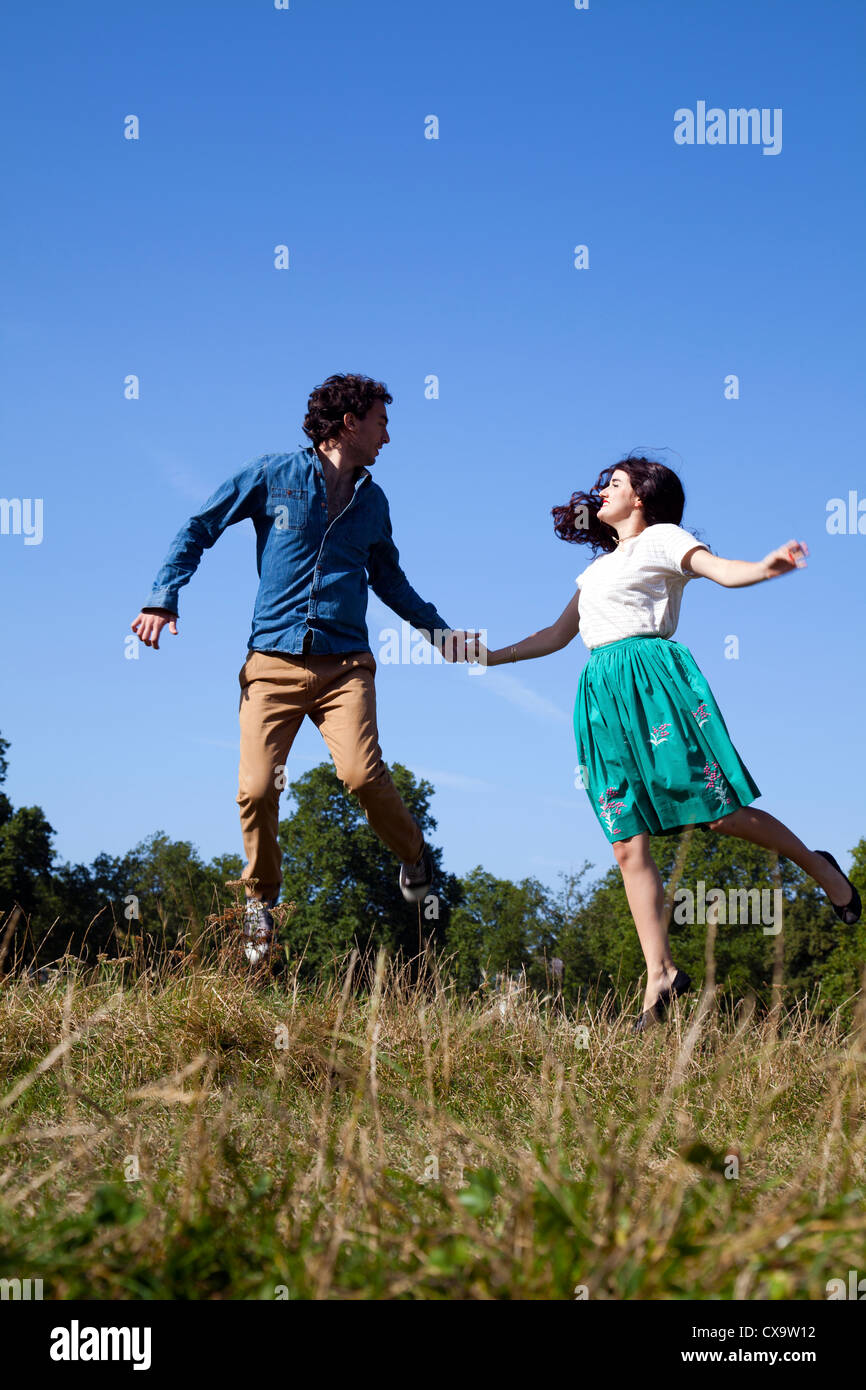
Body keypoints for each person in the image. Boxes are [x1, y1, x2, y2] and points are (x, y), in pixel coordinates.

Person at [466, 455, 861, 1030]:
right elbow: (556, 635)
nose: (602, 490)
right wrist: (490, 655)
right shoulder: (595, 571)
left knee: (714, 812)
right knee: (626, 839)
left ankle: (819, 866)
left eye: (616, 483)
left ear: (644, 497)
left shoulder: (663, 540)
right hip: (600, 694)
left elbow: (721, 570)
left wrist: (767, 566)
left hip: (652, 682)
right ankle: (660, 974)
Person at [131, 373, 469, 968]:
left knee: (362, 776)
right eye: (382, 422)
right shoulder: (271, 475)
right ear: (349, 422)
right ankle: (260, 907)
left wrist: (437, 632)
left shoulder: (374, 501)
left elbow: (388, 577)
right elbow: (198, 526)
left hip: (345, 667)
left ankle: (415, 858)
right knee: (257, 789)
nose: (389, 435)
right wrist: (164, 595)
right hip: (272, 664)